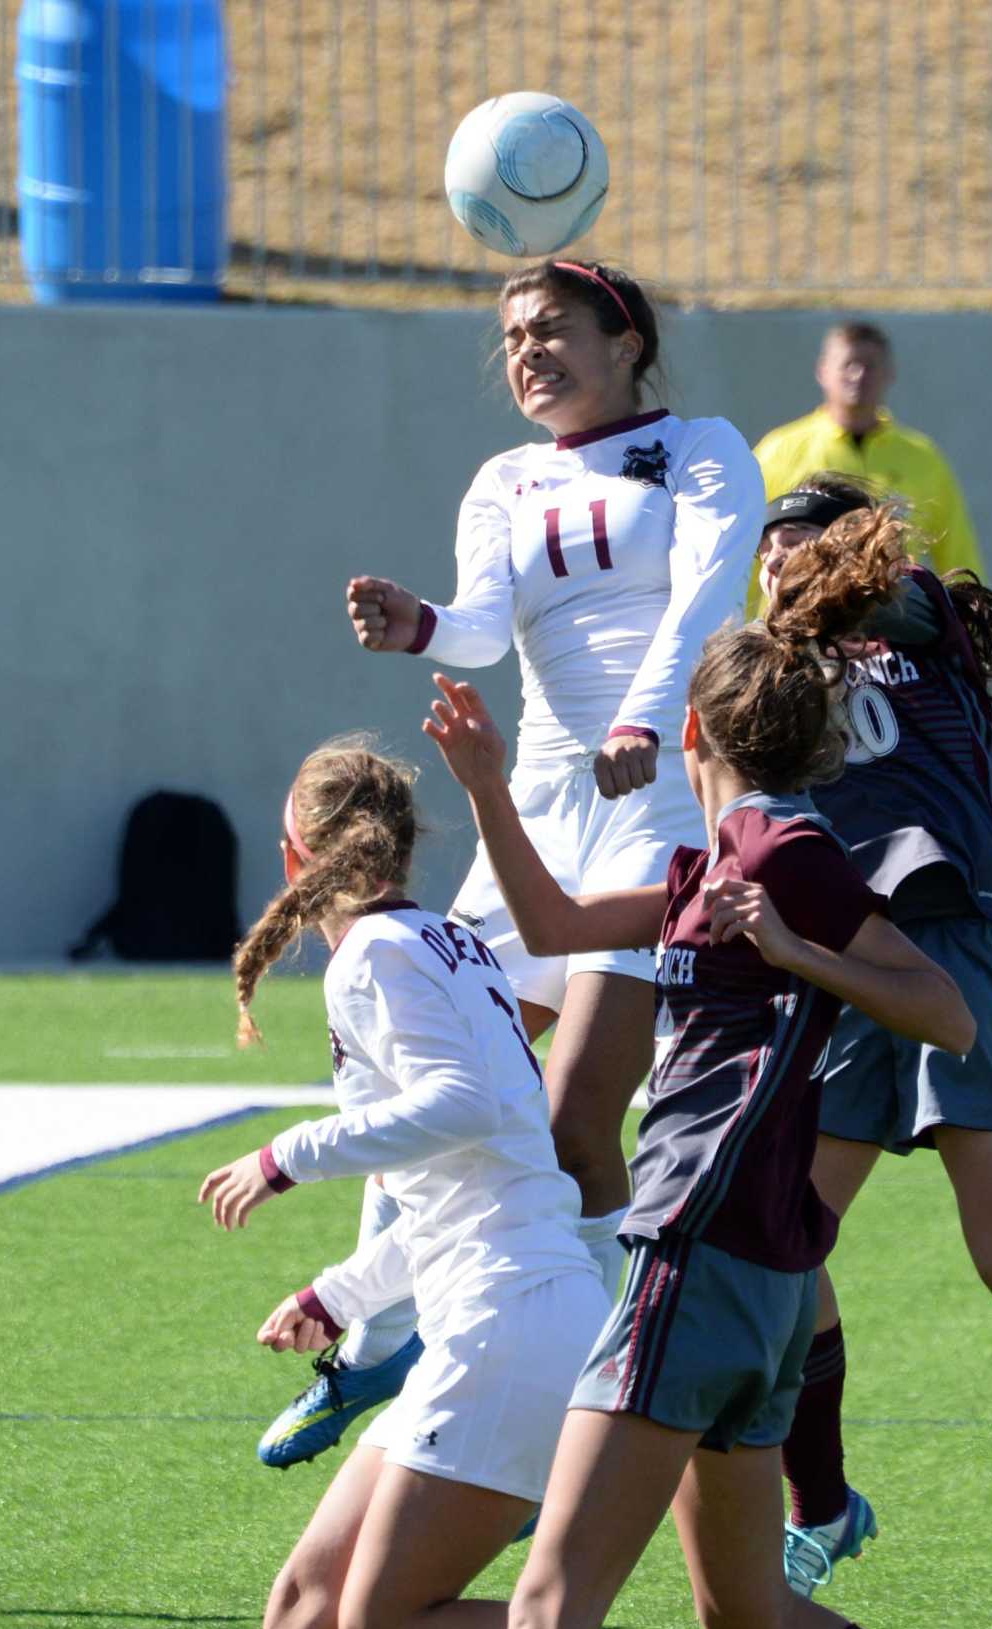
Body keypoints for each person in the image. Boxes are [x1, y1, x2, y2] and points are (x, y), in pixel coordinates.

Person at [217, 546, 992, 1629]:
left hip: (695, 1267)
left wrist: (803, 957)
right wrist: (490, 782)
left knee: (549, 1606)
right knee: (744, 1607)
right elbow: (552, 929)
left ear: (690, 733)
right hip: (753, 1285)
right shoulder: (708, 867)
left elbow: (944, 1014)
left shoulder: (784, 858)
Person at [43, 734, 747, 1629]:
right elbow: (471, 1175)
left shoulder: (372, 952)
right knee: (308, 1601)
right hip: (502, 1306)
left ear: (295, 857)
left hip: (509, 1328)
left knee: (390, 1624)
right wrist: (340, 1286)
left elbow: (467, 1112)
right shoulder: (446, 943)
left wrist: (287, 1154)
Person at [258, 258, 766, 1474]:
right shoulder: (504, 478)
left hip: (654, 801)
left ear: (626, 337)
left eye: (551, 328)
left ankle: (584, 1415)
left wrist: (647, 719)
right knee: (428, 1084)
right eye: (512, 335)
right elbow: (485, 623)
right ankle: (376, 1339)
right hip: (532, 802)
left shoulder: (701, 446)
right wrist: (420, 622)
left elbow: (707, 595)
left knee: (575, 1116)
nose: (527, 351)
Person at [752, 480, 992, 1605]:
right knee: (786, 1245)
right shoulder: (766, 671)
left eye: (799, 546)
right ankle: (821, 1501)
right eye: (765, 552)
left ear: (852, 550)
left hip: (965, 937)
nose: (777, 567)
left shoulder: (915, 611)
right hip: (851, 951)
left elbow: (884, 588)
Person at [751, 321, 992, 875]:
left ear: (890, 374)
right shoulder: (779, 451)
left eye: (870, 365)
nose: (858, 377)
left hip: (906, 667)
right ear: (823, 372)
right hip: (807, 668)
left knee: (989, 810)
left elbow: (960, 568)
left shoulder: (922, 458)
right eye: (847, 364)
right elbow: (756, 573)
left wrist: (956, 648)